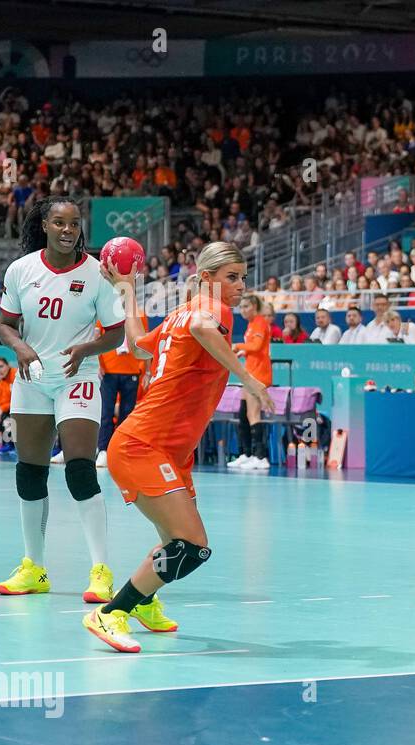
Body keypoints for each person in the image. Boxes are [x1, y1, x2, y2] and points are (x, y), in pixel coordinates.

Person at [83, 241, 273, 651]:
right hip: (143, 445)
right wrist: (250, 381)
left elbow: (135, 346)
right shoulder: (211, 310)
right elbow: (205, 328)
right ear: (206, 278)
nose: (240, 286)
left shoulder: (176, 315)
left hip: (166, 451)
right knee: (191, 547)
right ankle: (111, 612)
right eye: (231, 277)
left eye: (243, 277)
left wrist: (128, 290)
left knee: (178, 542)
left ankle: (144, 601)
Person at [0, 196, 125, 603]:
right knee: (29, 473)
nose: (68, 230)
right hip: (32, 377)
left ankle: (101, 570)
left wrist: (86, 350)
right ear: (45, 226)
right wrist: (20, 348)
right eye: (60, 223)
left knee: (80, 469)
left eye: (74, 224)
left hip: (76, 377)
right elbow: (5, 325)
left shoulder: (96, 273)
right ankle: (33, 567)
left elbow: (116, 333)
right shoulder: (22, 270)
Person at [229, 293, 273, 471]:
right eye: (241, 307)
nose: (243, 310)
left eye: (246, 307)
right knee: (244, 414)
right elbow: (254, 349)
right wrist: (243, 353)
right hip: (250, 372)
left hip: (259, 374)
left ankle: (261, 457)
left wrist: (238, 346)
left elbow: (256, 347)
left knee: (253, 415)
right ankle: (246, 454)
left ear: (254, 307)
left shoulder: (261, 322)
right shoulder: (251, 325)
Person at [95, 319, 145, 469]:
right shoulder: (104, 313)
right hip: (109, 369)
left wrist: (147, 370)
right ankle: (103, 449)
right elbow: (96, 338)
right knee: (106, 412)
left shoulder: (139, 315)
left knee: (127, 414)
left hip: (131, 369)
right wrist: (97, 364)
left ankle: (123, 450)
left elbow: (144, 342)